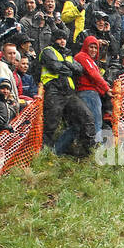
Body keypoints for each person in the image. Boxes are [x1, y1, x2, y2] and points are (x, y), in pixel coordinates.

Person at [38, 26, 93, 156]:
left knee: (86, 116)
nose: (62, 41)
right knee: (51, 124)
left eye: (64, 38)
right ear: (54, 39)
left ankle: (89, 151)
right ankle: (45, 154)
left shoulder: (67, 54)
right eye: (59, 38)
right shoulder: (47, 51)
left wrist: (67, 65)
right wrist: (69, 67)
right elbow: (55, 67)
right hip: (54, 91)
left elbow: (79, 70)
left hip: (68, 92)